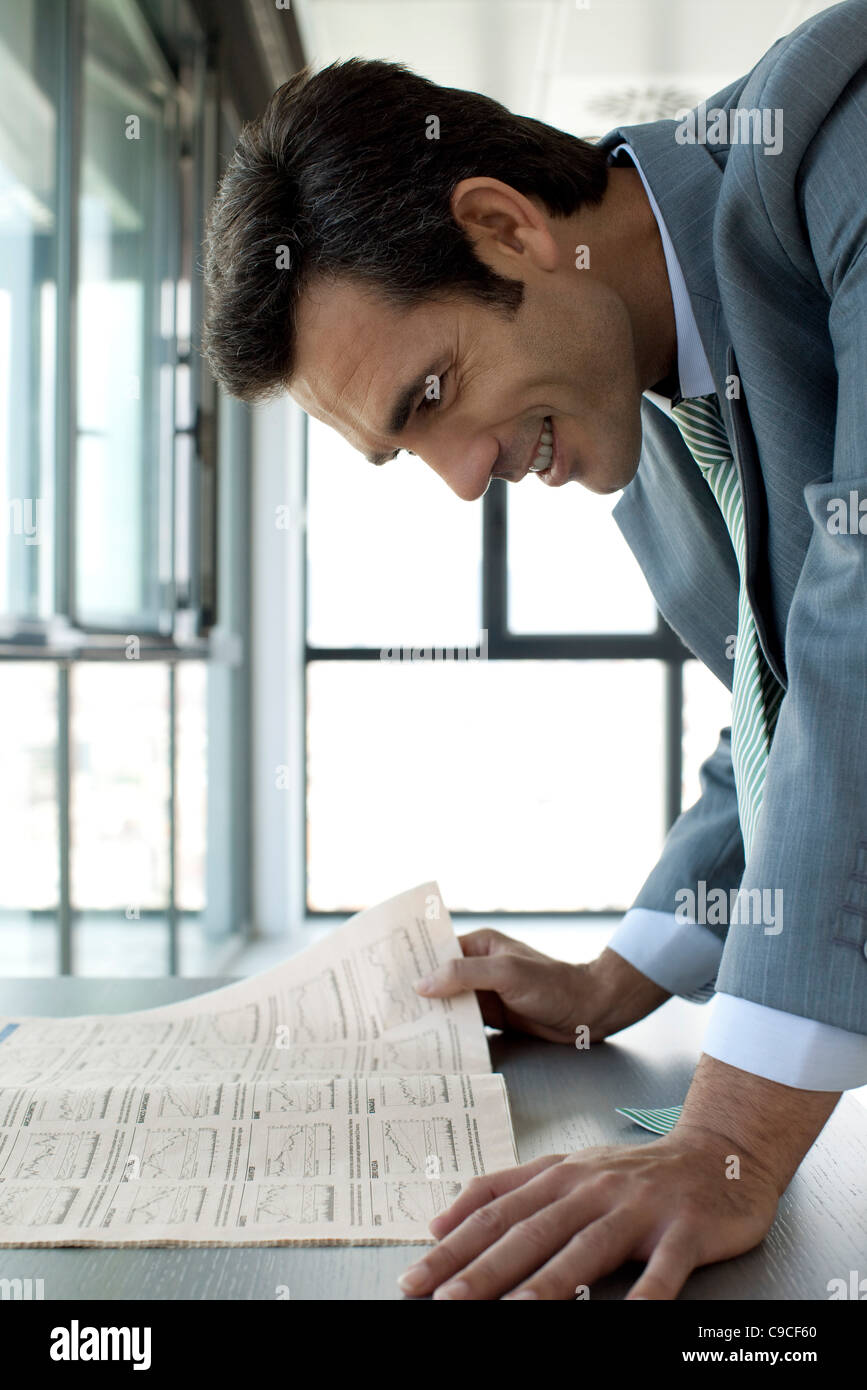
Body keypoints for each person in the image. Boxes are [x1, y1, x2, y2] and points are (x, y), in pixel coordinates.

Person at [202, 0, 867, 1299]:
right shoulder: (663, 416)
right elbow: (775, 716)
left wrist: (729, 1135)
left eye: (433, 393)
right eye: (405, 450)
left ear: (507, 224)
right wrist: (614, 977)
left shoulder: (835, 139)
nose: (460, 482)